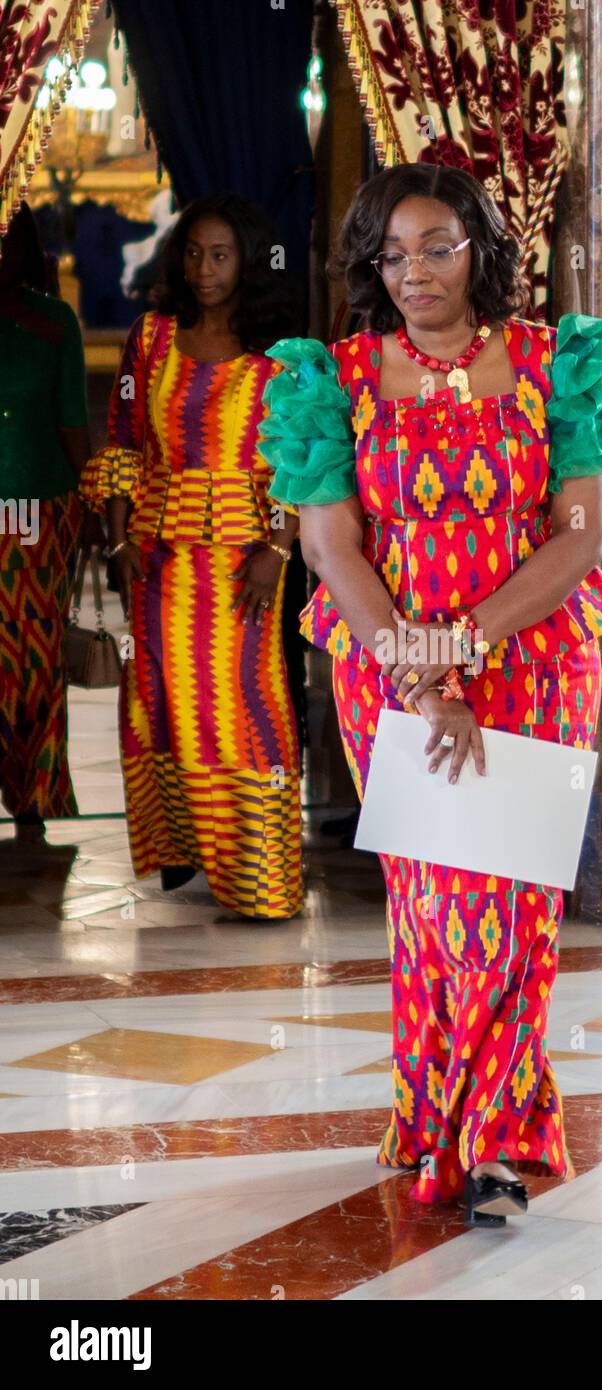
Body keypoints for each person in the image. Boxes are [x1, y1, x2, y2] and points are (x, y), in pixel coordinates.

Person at [259, 163, 602, 1220]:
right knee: (433, 905)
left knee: (514, 903)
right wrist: (423, 673)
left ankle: (496, 1140)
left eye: (437, 245)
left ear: (481, 246)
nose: (414, 271)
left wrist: (465, 644)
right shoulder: (330, 378)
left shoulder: (555, 365)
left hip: (535, 656)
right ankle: (438, 1115)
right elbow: (332, 547)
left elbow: (587, 532)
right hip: (385, 666)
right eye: (390, 253)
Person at [80, 194, 303, 919]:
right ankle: (186, 856)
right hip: (156, 555)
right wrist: (118, 540)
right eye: (194, 253)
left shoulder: (281, 356)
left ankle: (260, 877)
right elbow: (121, 440)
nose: (204, 269)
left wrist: (277, 548)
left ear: (247, 263)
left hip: (242, 562)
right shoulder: (150, 339)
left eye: (221, 255)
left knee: (244, 702)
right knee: (159, 702)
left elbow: (302, 464)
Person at [0, 204, 90, 840]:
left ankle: (33, 793)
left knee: (31, 657)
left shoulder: (55, 322)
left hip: (37, 513)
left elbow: (72, 424)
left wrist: (93, 509)